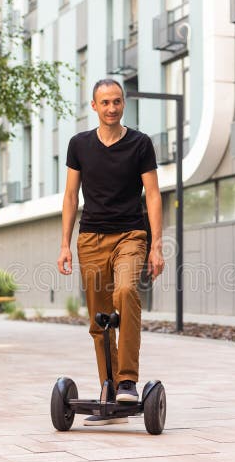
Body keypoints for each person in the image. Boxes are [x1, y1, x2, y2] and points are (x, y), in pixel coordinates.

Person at [57, 78, 164, 426]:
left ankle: (127, 379)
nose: (112, 108)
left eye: (117, 101)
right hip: (90, 239)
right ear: (94, 106)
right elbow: (72, 196)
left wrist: (157, 245)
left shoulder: (140, 144)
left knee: (127, 291)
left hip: (131, 234)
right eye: (105, 102)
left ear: (124, 104)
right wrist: (64, 244)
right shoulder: (79, 145)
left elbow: (152, 194)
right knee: (99, 318)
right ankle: (109, 385)